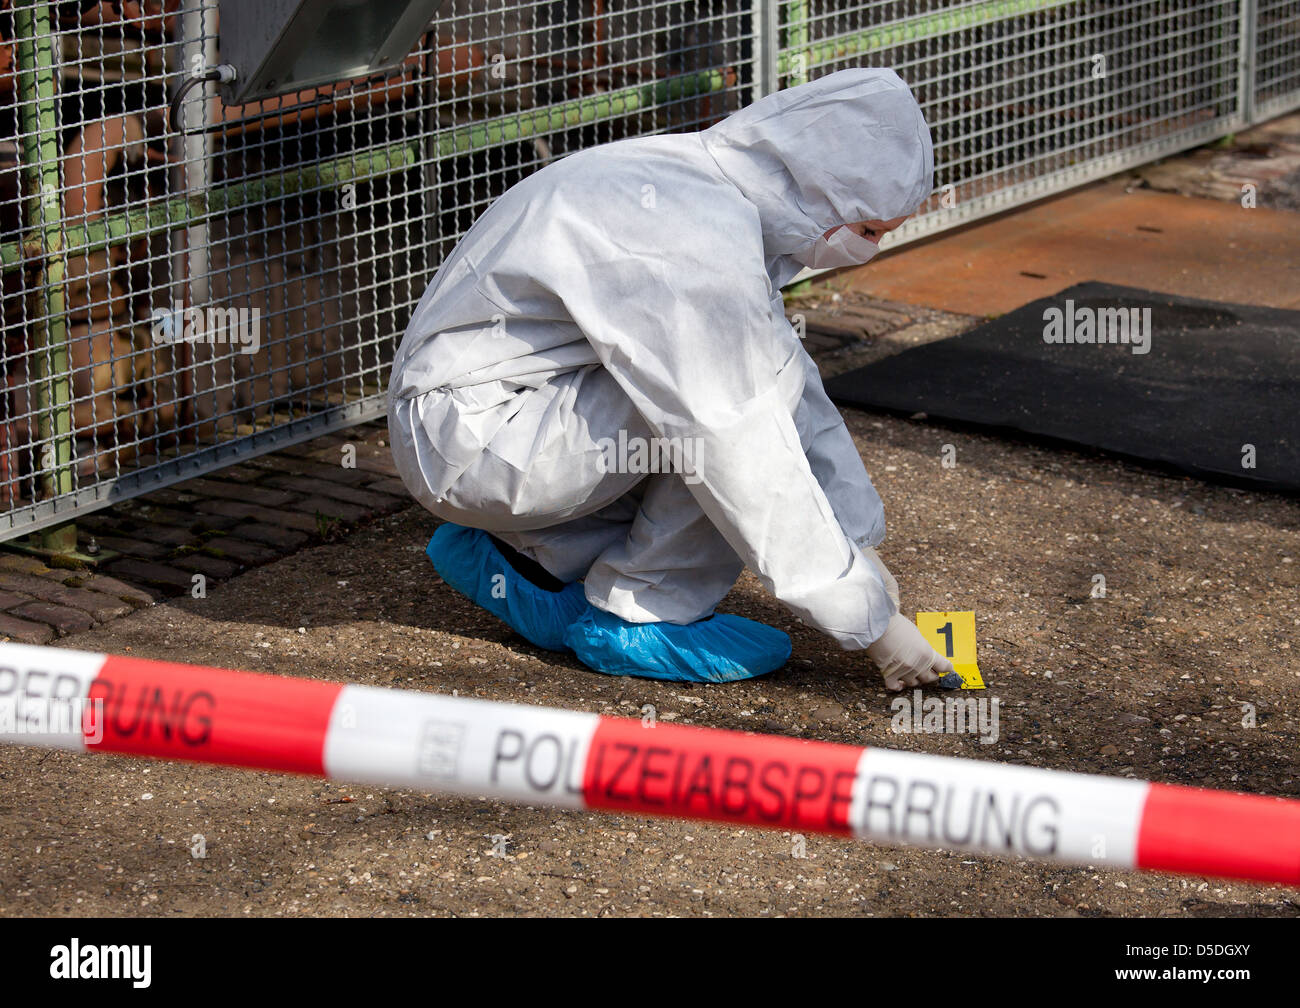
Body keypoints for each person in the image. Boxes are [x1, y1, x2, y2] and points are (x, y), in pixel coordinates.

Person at [388, 67, 955, 689]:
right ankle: (646, 610)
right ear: (817, 190)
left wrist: (857, 540)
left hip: (489, 419)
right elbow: (736, 433)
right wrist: (865, 616)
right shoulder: (691, 232)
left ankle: (527, 563)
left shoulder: (696, 190)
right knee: (728, 408)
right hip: (481, 441)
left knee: (757, 369)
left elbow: (795, 388)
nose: (867, 248)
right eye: (868, 230)